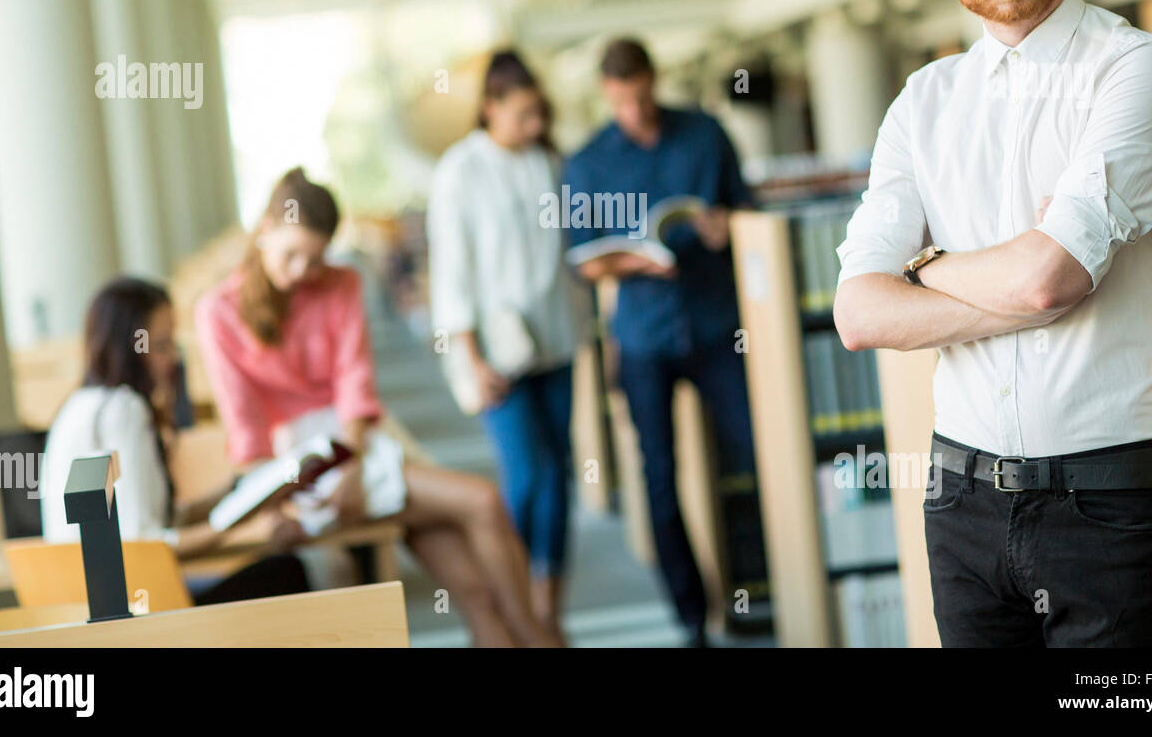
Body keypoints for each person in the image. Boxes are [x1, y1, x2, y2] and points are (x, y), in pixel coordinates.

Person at [833, 0, 1152, 647]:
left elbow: (1049, 279)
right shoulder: (922, 104)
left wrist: (924, 269)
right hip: (959, 502)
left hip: (1108, 503)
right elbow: (859, 313)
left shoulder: (1138, 71)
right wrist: (1013, 282)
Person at [195, 166, 561, 647]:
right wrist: (271, 506)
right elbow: (244, 420)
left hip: (356, 439)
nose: (304, 272)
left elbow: (354, 380)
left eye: (316, 258)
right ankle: (537, 636)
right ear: (264, 229)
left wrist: (350, 463)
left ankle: (518, 633)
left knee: (475, 592)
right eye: (292, 255)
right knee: (482, 501)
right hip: (295, 466)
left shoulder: (341, 283)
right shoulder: (218, 310)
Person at [561, 37, 767, 647]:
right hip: (644, 336)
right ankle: (689, 616)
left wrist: (722, 224)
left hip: (716, 326)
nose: (635, 110)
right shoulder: (589, 161)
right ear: (606, 93)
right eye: (622, 101)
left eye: (642, 95)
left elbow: (747, 210)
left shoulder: (704, 132)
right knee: (658, 475)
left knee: (755, 454)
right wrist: (631, 261)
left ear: (654, 79)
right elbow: (580, 261)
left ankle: (760, 589)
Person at [427, 49, 591, 643]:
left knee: (561, 479)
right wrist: (467, 356)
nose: (535, 126)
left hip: (557, 342)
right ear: (489, 108)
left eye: (539, 114)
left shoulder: (549, 161)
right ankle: (511, 608)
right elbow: (452, 273)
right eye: (522, 114)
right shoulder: (460, 171)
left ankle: (548, 610)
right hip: (494, 353)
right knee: (528, 476)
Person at [41, 277, 313, 607]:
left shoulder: (77, 408)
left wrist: (234, 492)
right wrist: (238, 522)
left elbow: (147, 519)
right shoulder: (125, 411)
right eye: (163, 344)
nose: (172, 359)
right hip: (140, 612)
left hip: (88, 605)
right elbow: (146, 543)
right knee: (286, 571)